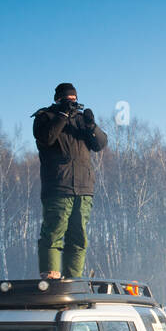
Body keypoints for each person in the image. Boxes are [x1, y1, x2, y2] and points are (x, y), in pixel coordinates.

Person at [32, 82, 108, 279]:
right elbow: (46, 138)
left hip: (83, 189)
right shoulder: (45, 117)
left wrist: (92, 125)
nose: (71, 102)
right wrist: (62, 116)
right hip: (58, 187)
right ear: (57, 99)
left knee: (79, 237)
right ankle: (51, 276)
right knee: (53, 233)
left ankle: (73, 279)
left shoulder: (82, 121)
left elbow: (100, 144)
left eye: (74, 99)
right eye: (67, 99)